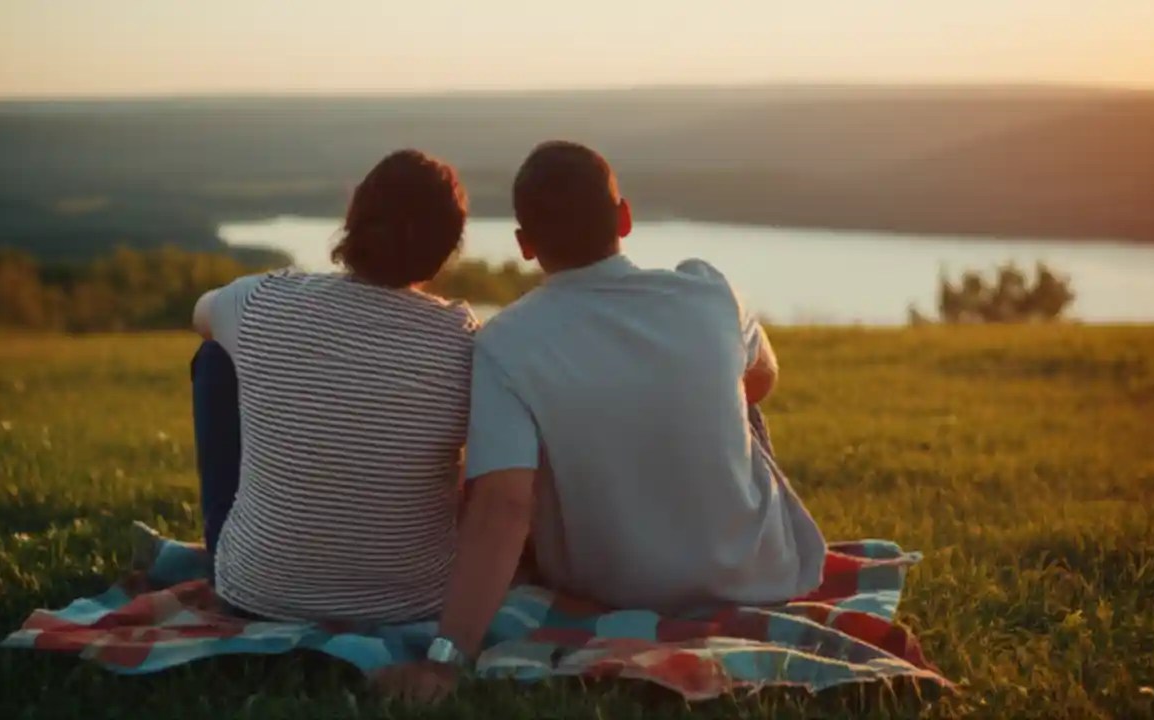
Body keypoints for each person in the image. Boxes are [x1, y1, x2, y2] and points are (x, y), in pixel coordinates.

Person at [376, 141, 826, 702]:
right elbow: (760, 382)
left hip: (610, 585)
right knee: (738, 402)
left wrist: (446, 657)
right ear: (625, 217)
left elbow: (503, 505)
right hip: (759, 578)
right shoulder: (709, 293)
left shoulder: (506, 343)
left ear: (525, 245)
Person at [187, 149, 478, 622]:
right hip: (412, 605)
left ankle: (260, 551)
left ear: (353, 220)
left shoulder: (263, 299)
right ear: (448, 246)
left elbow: (202, 314)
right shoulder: (461, 336)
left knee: (216, 357)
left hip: (254, 596)